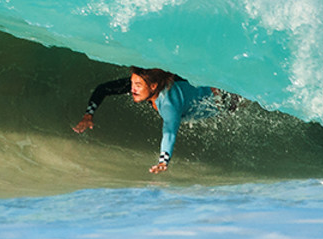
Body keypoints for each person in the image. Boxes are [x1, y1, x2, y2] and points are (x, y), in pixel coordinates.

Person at [73, 66, 238, 173]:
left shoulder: (168, 104)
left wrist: (163, 161)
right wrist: (89, 115)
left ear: (153, 86)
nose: (132, 89)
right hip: (201, 89)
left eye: (137, 85)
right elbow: (103, 89)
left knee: (240, 103)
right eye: (132, 83)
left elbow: (170, 131)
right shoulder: (145, 85)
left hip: (221, 99)